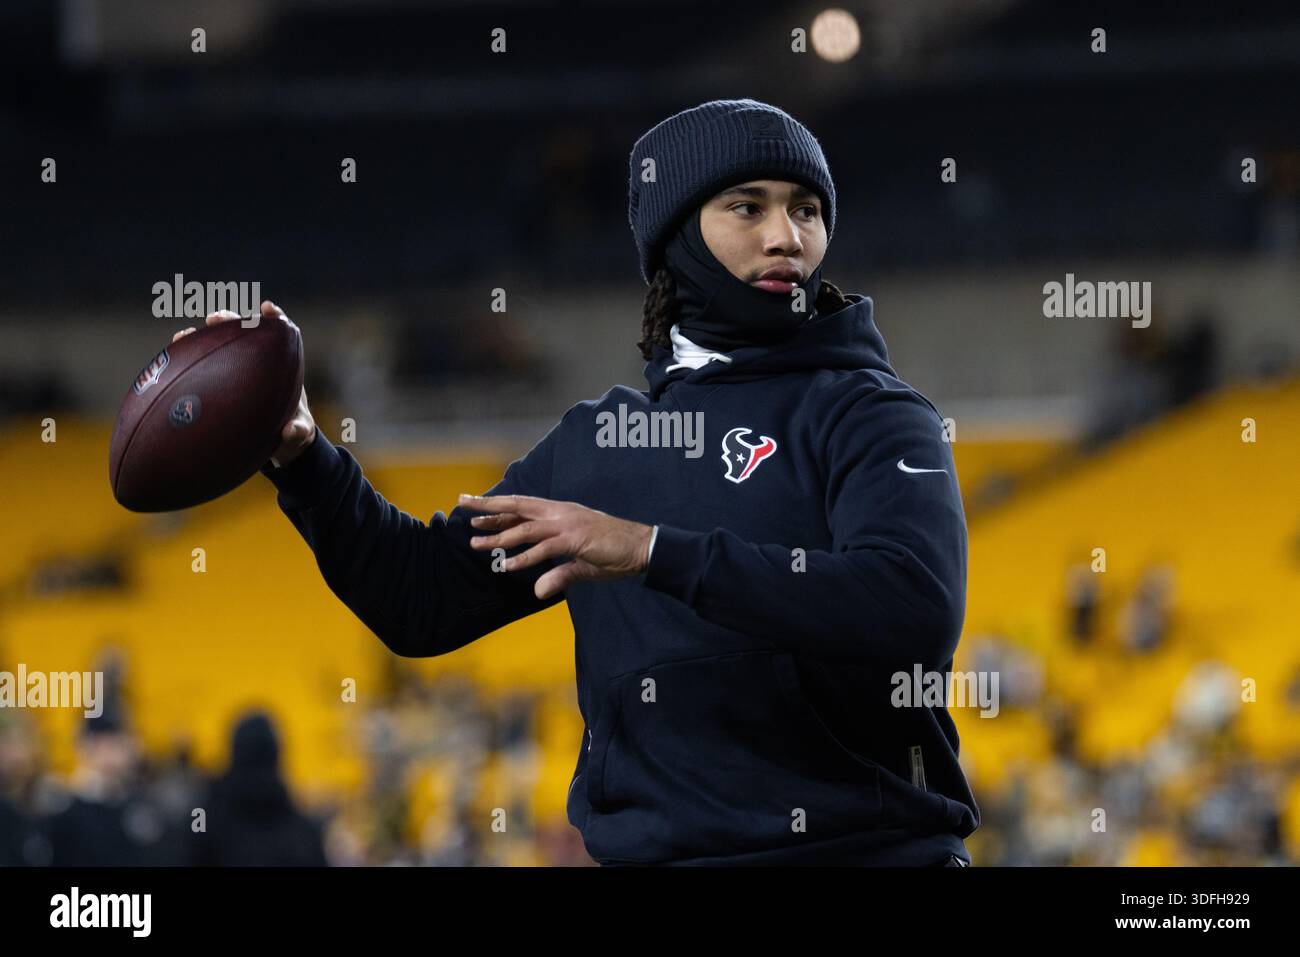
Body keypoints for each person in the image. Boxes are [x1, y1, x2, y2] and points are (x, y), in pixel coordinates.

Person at [173, 98, 978, 866]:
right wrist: (304, 457)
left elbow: (910, 606)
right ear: (676, 233)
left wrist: (650, 551)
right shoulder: (598, 444)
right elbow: (418, 598)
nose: (786, 237)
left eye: (806, 208)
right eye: (747, 206)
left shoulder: (873, 412)